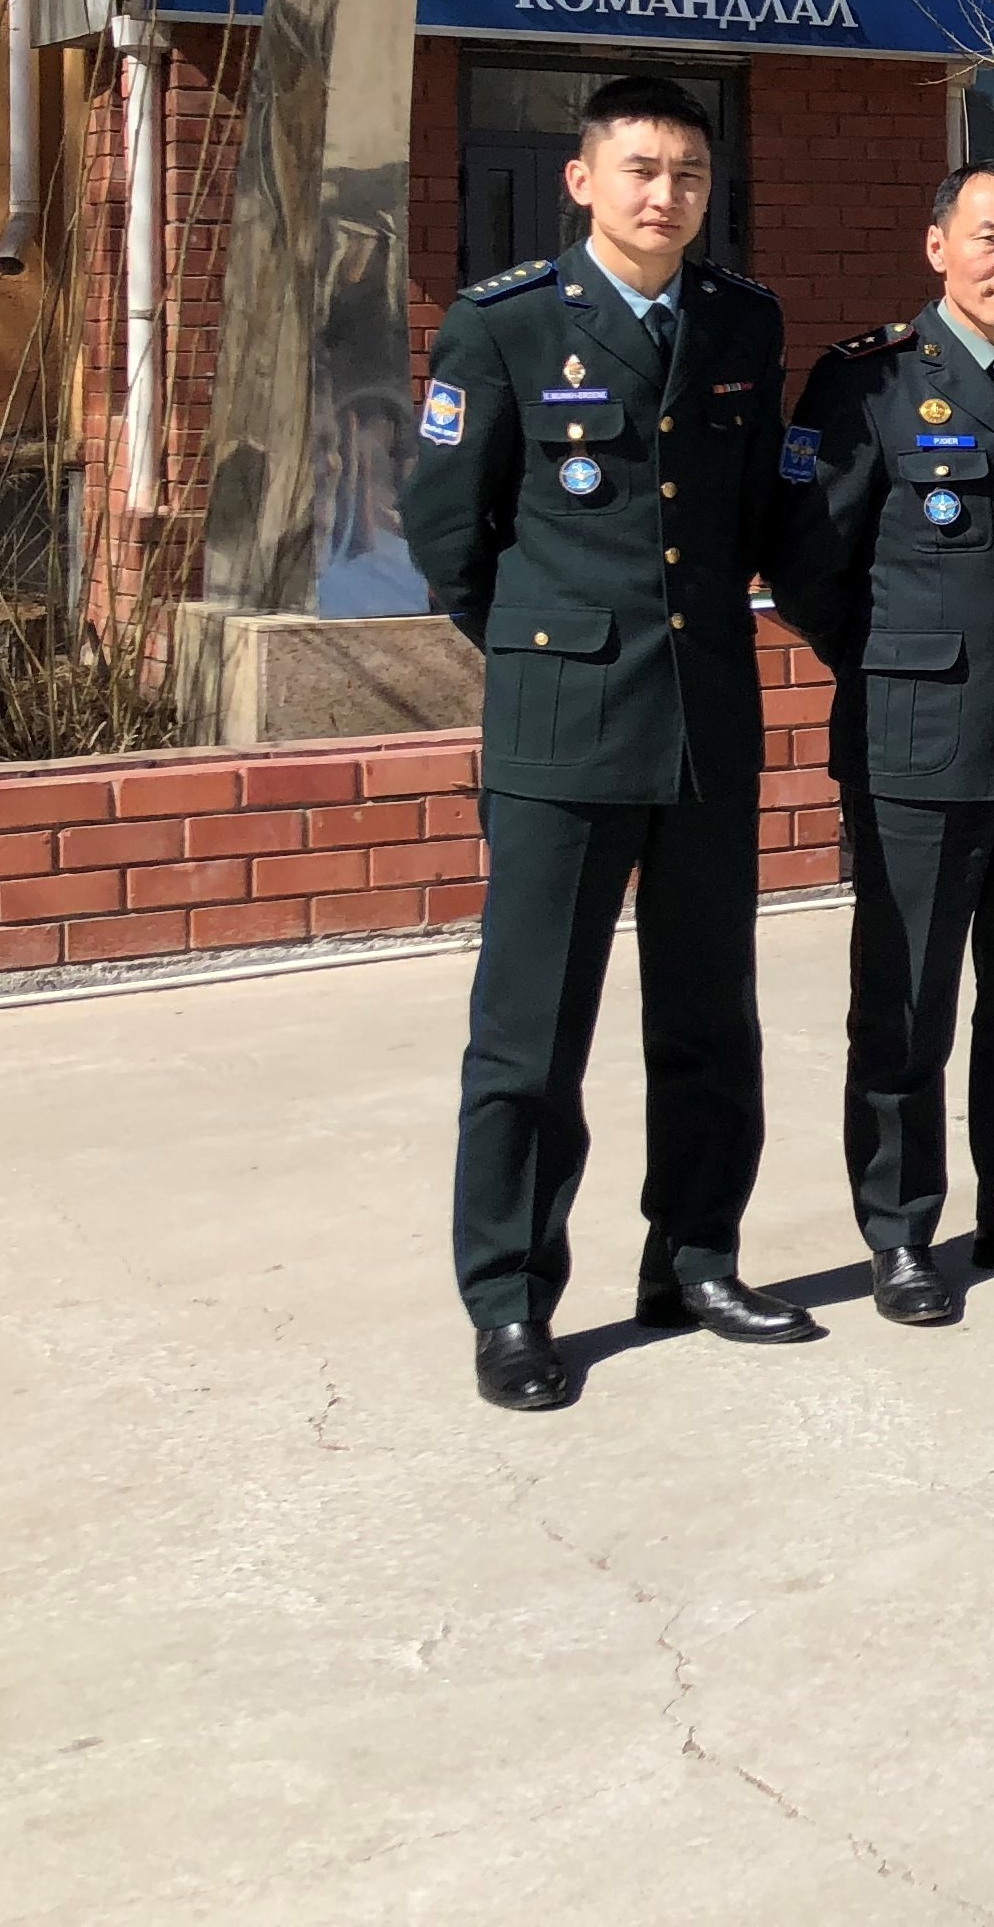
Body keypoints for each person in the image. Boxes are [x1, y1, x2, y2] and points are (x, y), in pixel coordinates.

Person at [406, 72, 805, 1414]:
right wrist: (546, 647)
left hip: (703, 721)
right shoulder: (505, 323)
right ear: (582, 180)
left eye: (688, 173)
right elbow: (449, 534)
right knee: (530, 1037)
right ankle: (512, 1301)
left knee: (710, 1019)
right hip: (563, 723)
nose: (665, 194)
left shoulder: (742, 319)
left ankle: (695, 1260)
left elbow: (748, 517)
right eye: (640, 169)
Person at [767, 161, 994, 1326]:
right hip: (917, 744)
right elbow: (808, 569)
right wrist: (905, 668)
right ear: (938, 248)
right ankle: (900, 1234)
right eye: (989, 237)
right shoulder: (868, 381)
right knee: (906, 1003)